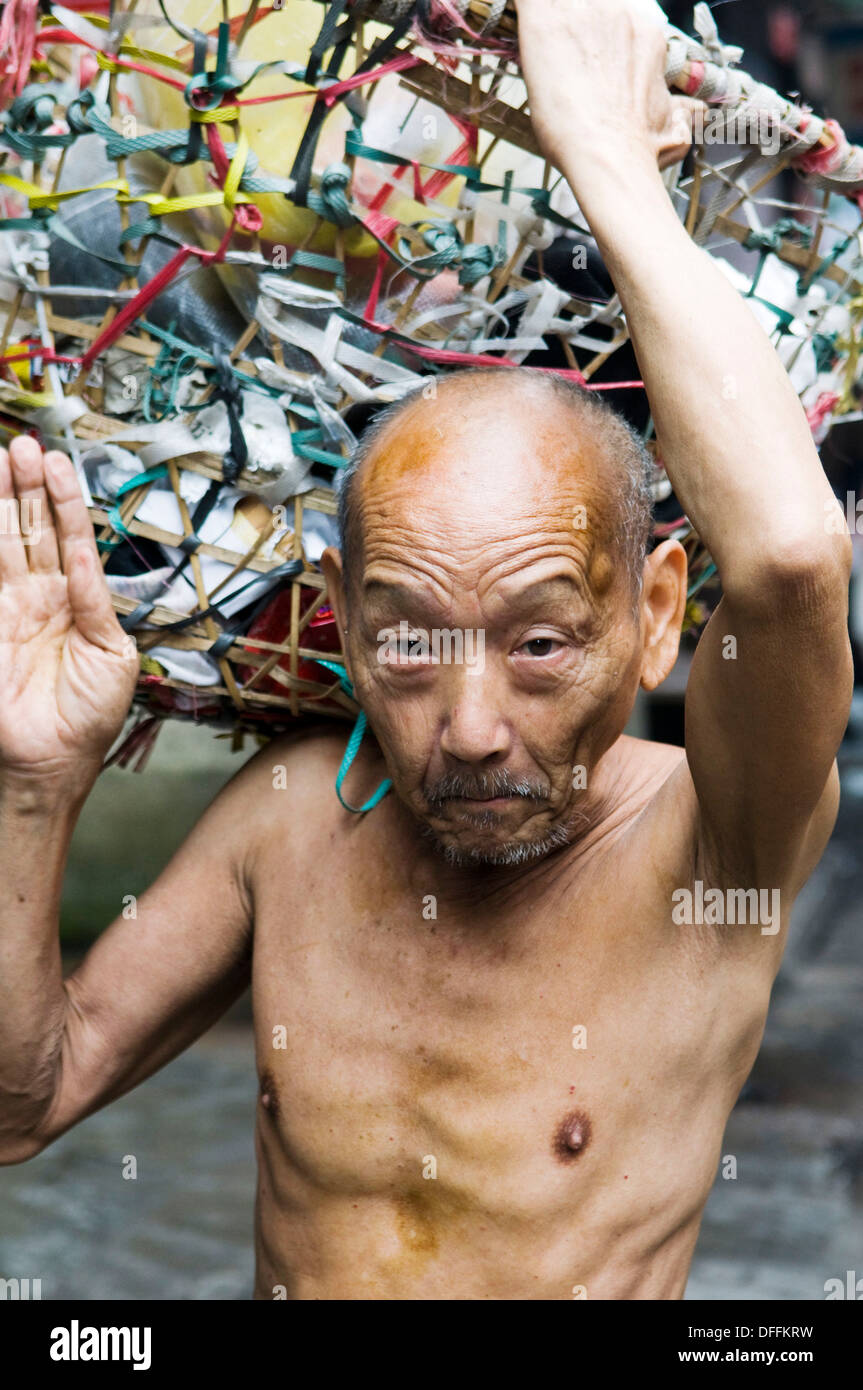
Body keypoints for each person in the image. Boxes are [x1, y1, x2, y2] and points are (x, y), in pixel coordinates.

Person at [0, 0, 852, 1300]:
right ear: (340, 608)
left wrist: (604, 161)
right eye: (407, 639)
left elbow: (792, 562)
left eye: (542, 641)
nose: (465, 726)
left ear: (659, 610)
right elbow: (24, 1101)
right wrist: (34, 784)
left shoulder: (718, 840)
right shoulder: (290, 822)